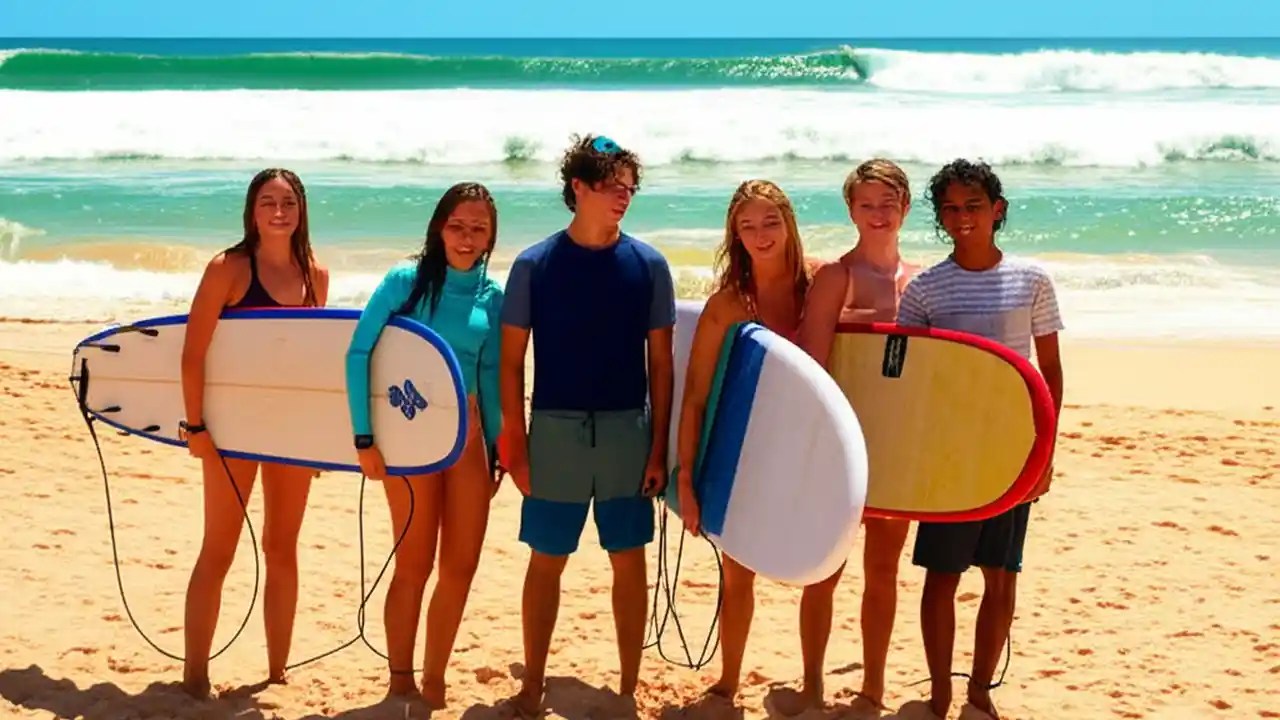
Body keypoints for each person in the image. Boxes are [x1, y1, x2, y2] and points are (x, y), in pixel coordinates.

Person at [498, 134, 675, 715]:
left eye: (629, 187)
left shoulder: (649, 265)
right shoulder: (534, 265)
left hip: (628, 428)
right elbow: (509, 359)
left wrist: (658, 447)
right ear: (578, 188)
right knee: (546, 558)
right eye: (610, 185)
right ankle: (532, 684)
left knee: (629, 557)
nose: (622, 196)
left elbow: (662, 363)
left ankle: (627, 683)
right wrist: (515, 441)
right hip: (553, 429)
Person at [893, 159, 1064, 720]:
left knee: (1001, 573)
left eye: (973, 206)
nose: (962, 217)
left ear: (998, 210)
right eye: (951, 208)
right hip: (948, 453)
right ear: (940, 217)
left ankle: (979, 693)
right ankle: (941, 694)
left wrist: (1045, 453)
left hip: (1014, 447)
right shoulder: (924, 289)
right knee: (941, 577)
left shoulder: (1032, 279)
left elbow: (1051, 375)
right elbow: (906, 379)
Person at [343, 182, 506, 707]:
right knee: (415, 564)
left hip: (469, 443)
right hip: (410, 444)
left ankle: (434, 681)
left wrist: (500, 449)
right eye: (457, 225)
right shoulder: (404, 282)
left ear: (490, 237)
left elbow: (493, 375)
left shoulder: (492, 299)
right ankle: (400, 681)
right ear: (439, 226)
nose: (466, 237)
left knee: (461, 566)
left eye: (478, 229)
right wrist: (364, 437)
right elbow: (358, 353)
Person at [179, 168, 331, 697]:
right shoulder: (228, 269)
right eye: (268, 201)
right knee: (219, 548)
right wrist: (196, 425)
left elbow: (312, 367)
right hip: (232, 430)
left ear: (301, 209)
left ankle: (277, 670)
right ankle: (195, 671)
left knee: (282, 547)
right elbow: (193, 353)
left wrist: (317, 441)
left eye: (288, 201)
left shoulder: (317, 274)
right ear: (252, 210)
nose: (279, 210)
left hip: (290, 432)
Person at [673, 179, 812, 703]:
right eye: (747, 226)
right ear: (735, 234)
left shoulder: (818, 285)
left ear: (789, 223)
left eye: (770, 222)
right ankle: (729, 681)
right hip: (747, 450)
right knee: (738, 576)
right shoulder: (731, 303)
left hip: (805, 448)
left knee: (819, 575)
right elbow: (695, 398)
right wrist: (687, 479)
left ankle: (814, 687)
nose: (760, 235)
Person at [792, 158, 919, 715]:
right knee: (825, 571)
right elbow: (813, 367)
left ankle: (873, 687)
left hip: (896, 445)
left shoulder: (921, 280)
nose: (877, 214)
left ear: (906, 207)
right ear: (850, 210)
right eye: (866, 204)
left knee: (884, 573)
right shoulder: (835, 278)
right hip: (844, 448)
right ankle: (814, 686)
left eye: (887, 203)